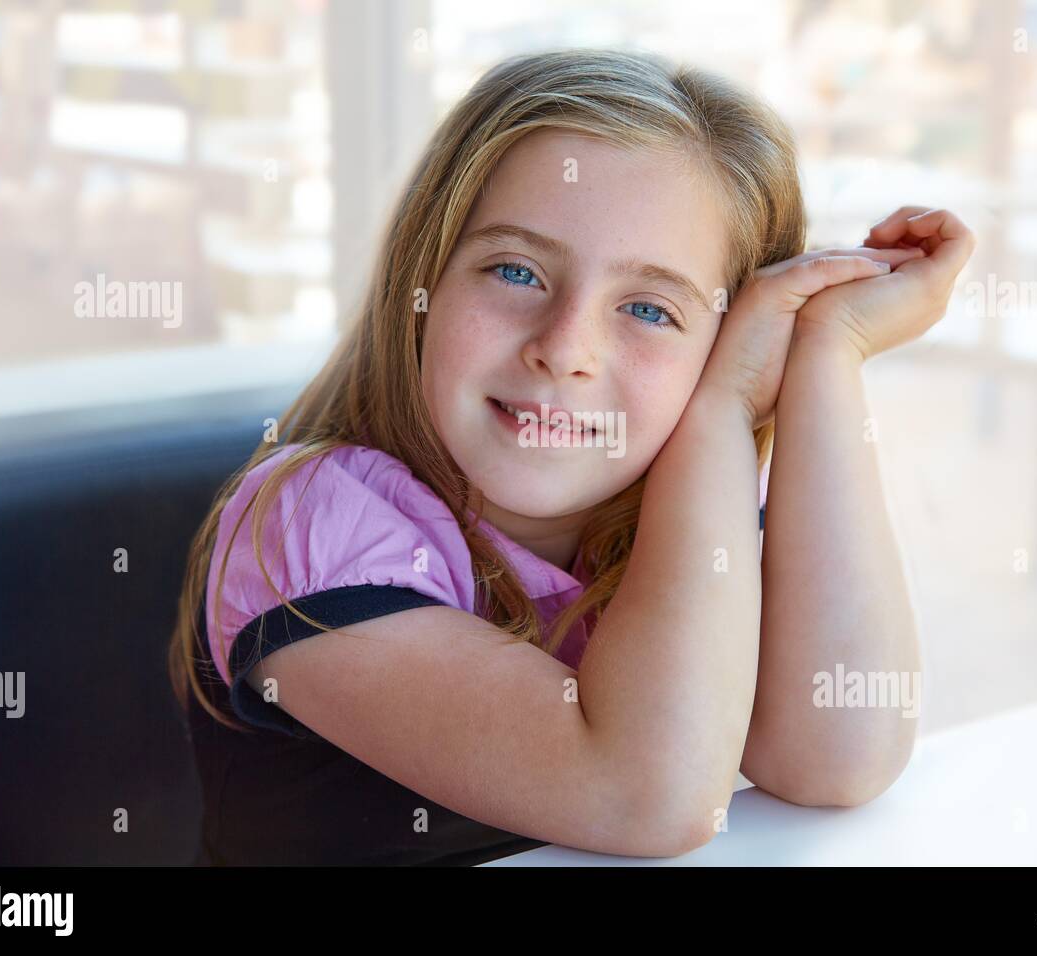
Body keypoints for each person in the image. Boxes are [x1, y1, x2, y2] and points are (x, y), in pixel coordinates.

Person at [168, 47, 973, 865]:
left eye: (651, 310)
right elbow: (644, 794)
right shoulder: (309, 521)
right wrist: (723, 405)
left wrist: (827, 350)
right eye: (515, 270)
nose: (566, 349)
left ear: (724, 344)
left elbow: (841, 751)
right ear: (424, 284)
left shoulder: (687, 517)